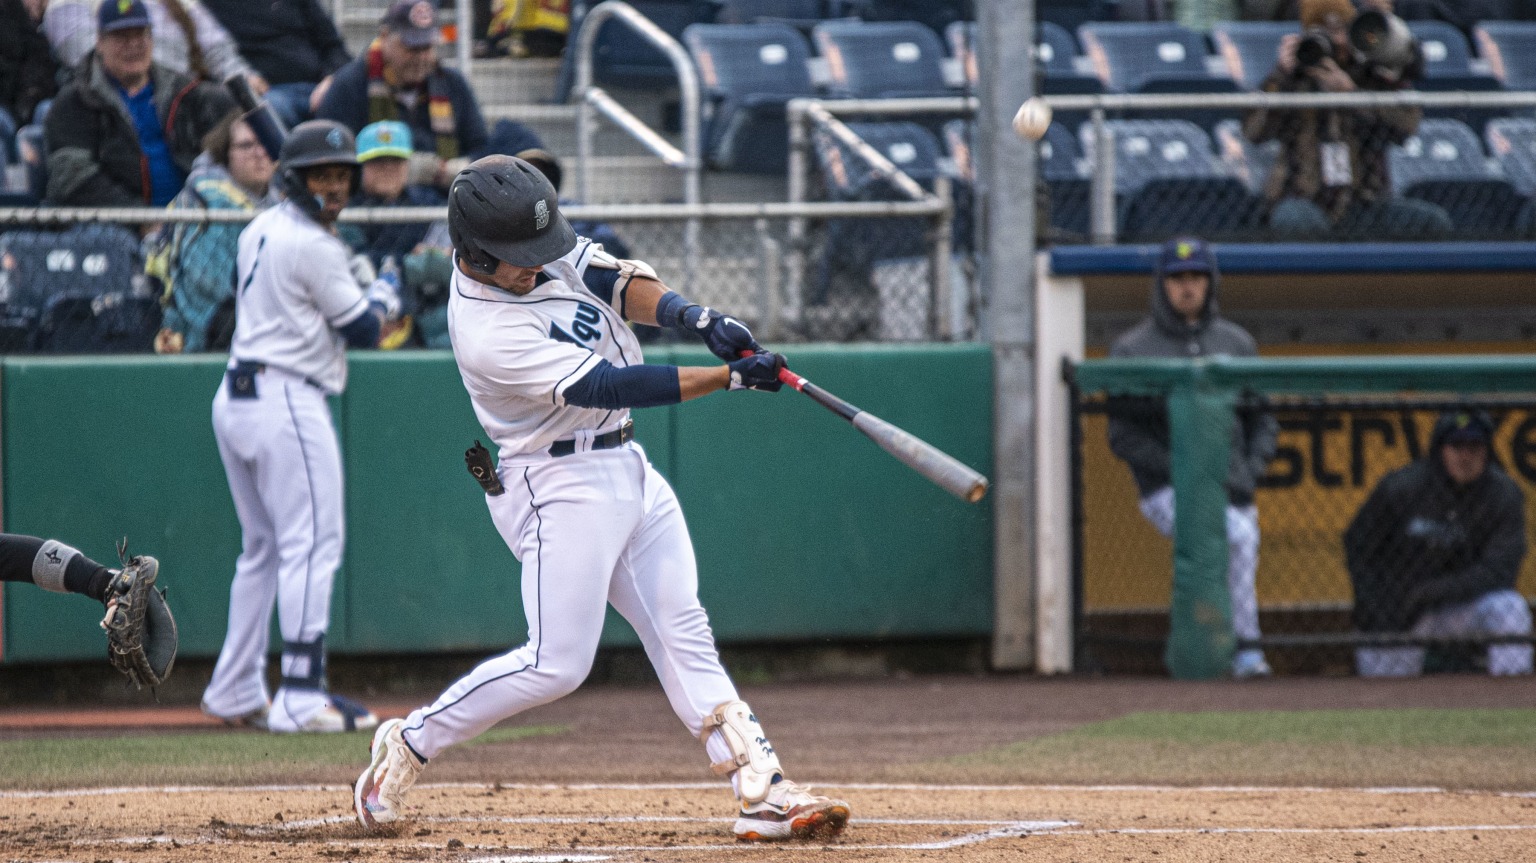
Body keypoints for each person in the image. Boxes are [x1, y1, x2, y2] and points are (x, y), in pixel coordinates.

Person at [352, 154, 852, 843]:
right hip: (557, 485)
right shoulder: (486, 332)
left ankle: (760, 789)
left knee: (682, 626)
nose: (538, 262)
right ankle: (409, 742)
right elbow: (607, 384)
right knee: (555, 664)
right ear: (475, 253)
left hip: (626, 464)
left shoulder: (530, 250)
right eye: (521, 256)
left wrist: (697, 316)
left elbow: (610, 279)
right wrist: (730, 378)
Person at [200, 119, 403, 734]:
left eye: (341, 175)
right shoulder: (314, 245)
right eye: (321, 176)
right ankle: (300, 693)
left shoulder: (261, 226)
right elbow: (364, 330)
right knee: (312, 544)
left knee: (263, 548)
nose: (334, 187)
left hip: (238, 395)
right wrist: (385, 293)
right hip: (287, 398)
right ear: (294, 179)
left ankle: (235, 688)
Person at [1107, 236, 1279, 679]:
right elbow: (1122, 435)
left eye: (1197, 277)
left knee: (1240, 545)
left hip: (1232, 486)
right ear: (1161, 284)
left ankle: (1237, 652)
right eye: (1177, 278)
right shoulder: (1133, 348)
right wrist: (1184, 471)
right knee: (1234, 537)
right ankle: (1241, 650)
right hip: (1167, 488)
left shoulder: (1235, 342)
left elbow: (1263, 420)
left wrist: (1250, 470)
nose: (1187, 286)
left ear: (1210, 282)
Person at [1241, 0, 1452, 241]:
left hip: (1364, 200)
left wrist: (1352, 95)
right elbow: (1253, 132)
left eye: (1340, 29)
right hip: (1304, 196)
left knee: (1432, 222)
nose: (1335, 40)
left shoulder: (1371, 72)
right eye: (1322, 30)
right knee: (1295, 220)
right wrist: (1280, 75)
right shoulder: (1293, 78)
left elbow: (1407, 125)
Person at [1345, 409, 1534, 677]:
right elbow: (1358, 546)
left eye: (1474, 447)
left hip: (1460, 606)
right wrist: (1376, 603)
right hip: (1402, 608)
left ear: (1487, 451)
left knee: (1510, 608)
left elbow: (1499, 570)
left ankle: (1509, 691)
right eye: (1456, 447)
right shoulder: (1401, 488)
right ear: (1440, 449)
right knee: (1385, 689)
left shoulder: (1503, 495)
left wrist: (1431, 592)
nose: (1465, 456)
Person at [315, 0, 543, 194]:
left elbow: (478, 145)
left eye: (427, 47)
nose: (422, 57)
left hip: (448, 196)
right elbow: (332, 157)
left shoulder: (452, 82)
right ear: (385, 37)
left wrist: (442, 171)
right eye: (412, 47)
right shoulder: (350, 84)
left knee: (514, 136)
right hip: (380, 205)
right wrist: (398, 169)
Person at [43, 0, 236, 210]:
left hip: (192, 217)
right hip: (113, 220)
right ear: (99, 42)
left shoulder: (188, 93)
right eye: (121, 37)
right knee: (110, 233)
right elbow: (73, 177)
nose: (133, 45)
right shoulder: (76, 101)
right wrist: (141, 219)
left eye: (141, 34)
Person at [150, 114, 279, 355]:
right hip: (208, 331)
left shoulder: (279, 202)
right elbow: (209, 284)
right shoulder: (209, 198)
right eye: (246, 145)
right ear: (225, 153)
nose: (260, 152)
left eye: (265, 143)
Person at [339, 119, 448, 348]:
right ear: (360, 166)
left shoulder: (428, 202)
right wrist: (408, 263)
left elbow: (447, 253)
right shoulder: (344, 208)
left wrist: (438, 255)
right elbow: (354, 261)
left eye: (396, 160)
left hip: (423, 309)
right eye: (378, 161)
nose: (388, 168)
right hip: (365, 307)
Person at [200, 0, 352, 128]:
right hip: (268, 92)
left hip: (317, 86)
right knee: (272, 110)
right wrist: (244, 77)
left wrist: (331, 79)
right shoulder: (212, 6)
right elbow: (214, 53)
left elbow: (333, 45)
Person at [44, 0, 259, 86]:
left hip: (188, 96)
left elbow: (217, 49)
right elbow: (89, 55)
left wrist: (243, 80)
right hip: (109, 99)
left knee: (265, 104)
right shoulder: (66, 3)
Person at [0, 0, 57, 130]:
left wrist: (30, 93)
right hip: (5, 107)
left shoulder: (13, 10)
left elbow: (37, 54)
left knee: (48, 111)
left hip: (28, 99)